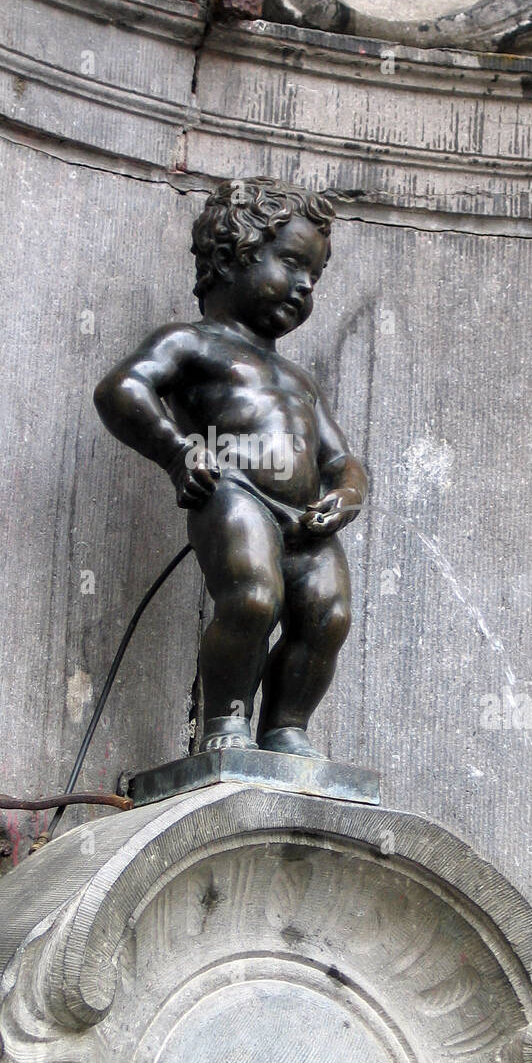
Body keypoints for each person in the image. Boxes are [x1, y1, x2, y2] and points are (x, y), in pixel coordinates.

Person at [93, 177, 368, 758]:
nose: (304, 285)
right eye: (291, 263)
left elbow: (341, 458)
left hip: (308, 518)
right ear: (228, 257)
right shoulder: (192, 344)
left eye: (314, 276)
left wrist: (347, 493)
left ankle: (287, 727)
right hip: (234, 491)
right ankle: (226, 719)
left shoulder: (299, 380)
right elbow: (123, 388)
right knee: (253, 597)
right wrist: (176, 451)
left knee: (328, 615)